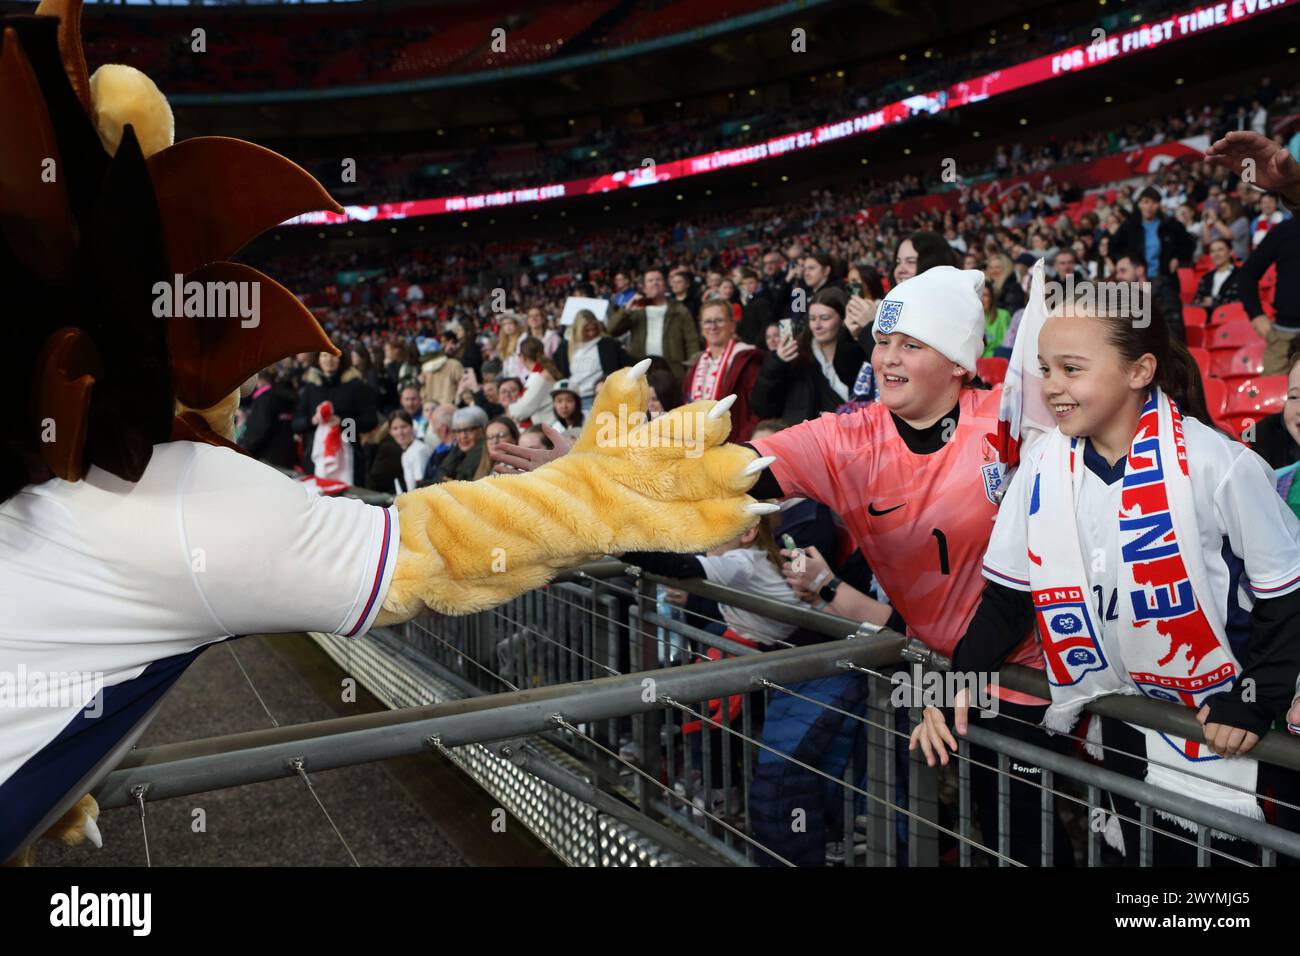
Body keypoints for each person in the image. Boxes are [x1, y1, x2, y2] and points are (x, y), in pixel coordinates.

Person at [914, 287, 1300, 865]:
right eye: (1045, 369)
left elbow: (1285, 595)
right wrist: (948, 689)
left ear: (1140, 369)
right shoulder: (1042, 464)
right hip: (1119, 720)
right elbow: (1006, 601)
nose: (1052, 386)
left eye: (1071, 368)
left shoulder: (1220, 464)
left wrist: (1254, 700)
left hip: (1215, 729)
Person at [744, 266, 1060, 866]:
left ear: (959, 364)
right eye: (884, 341)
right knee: (994, 833)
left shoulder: (1011, 423)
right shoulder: (848, 437)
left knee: (1040, 834)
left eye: (911, 345)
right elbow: (731, 473)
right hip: (947, 676)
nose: (888, 358)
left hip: (1036, 674)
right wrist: (592, 483)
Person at [751, 287, 865, 426]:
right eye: (812, 319)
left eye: (825, 318)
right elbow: (762, 407)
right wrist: (776, 364)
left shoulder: (861, 351)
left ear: (843, 319)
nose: (817, 325)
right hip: (809, 440)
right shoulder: (795, 356)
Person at [293, 349, 379, 486]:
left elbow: (370, 420)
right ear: (318, 359)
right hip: (315, 459)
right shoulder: (310, 388)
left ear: (342, 359)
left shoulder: (356, 386)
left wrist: (343, 422)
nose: (329, 359)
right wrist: (313, 420)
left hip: (349, 458)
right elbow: (296, 423)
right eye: (324, 355)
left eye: (334, 355)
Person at [682, 300, 764, 442]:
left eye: (719, 320)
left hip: (733, 448)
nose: (713, 326)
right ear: (701, 328)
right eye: (707, 321)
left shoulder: (746, 361)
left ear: (732, 325)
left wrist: (741, 444)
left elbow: (757, 410)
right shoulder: (696, 365)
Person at [605, 269, 699, 380]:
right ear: (644, 287)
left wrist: (692, 369)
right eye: (650, 280)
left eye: (658, 279)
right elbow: (611, 330)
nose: (655, 283)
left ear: (665, 285)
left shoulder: (679, 310)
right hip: (642, 370)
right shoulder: (637, 310)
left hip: (673, 370)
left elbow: (691, 341)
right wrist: (626, 310)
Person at [563, 309, 627, 412]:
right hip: (574, 397)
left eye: (594, 329)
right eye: (587, 330)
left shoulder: (608, 344)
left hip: (597, 396)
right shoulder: (567, 346)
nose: (591, 333)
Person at [240, 368, 297, 469]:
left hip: (267, 457)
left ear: (259, 380)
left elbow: (259, 429)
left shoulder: (264, 399)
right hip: (287, 453)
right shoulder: (285, 395)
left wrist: (243, 448)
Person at [506, 337, 561, 427]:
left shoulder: (541, 377)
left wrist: (508, 410)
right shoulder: (538, 374)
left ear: (522, 357)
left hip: (546, 428)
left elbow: (521, 411)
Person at [432, 405, 488, 483]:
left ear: (483, 430)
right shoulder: (457, 451)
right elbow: (441, 473)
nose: (463, 436)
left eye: (469, 430)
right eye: (458, 431)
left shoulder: (486, 452)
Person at [1193, 237, 1244, 311]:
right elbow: (1197, 300)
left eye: (1220, 250)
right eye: (1212, 251)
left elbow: (1239, 300)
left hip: (1233, 316)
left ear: (1230, 252)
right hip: (1207, 317)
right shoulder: (1206, 277)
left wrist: (1214, 301)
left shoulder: (1241, 275)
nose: (1216, 254)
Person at [980, 284, 1011, 359]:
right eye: (979, 295)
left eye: (985, 295)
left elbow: (1007, 345)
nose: (981, 299)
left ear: (991, 298)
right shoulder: (971, 319)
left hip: (997, 360)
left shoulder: (1003, 315)